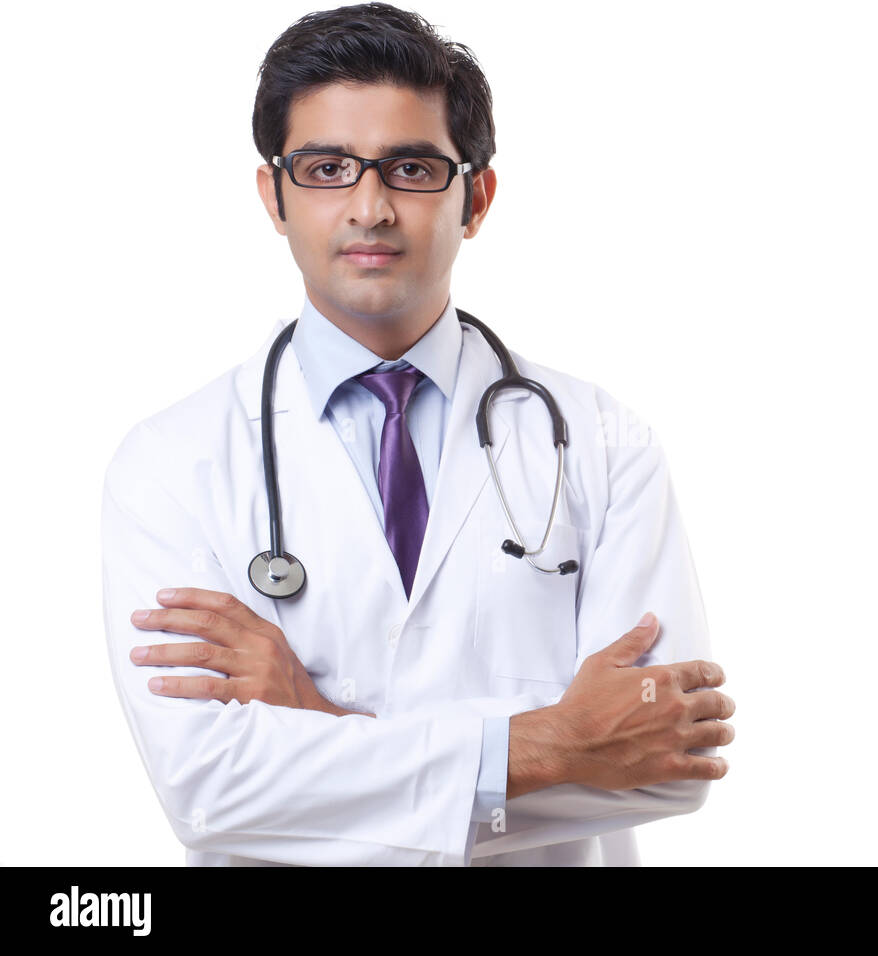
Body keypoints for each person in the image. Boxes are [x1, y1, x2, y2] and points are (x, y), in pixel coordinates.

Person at [99, 2, 734, 867]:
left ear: (475, 197)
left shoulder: (602, 443)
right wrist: (548, 746)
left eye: (409, 168)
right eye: (326, 168)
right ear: (273, 197)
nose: (370, 207)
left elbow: (669, 763)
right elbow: (208, 790)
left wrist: (324, 733)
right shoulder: (173, 463)